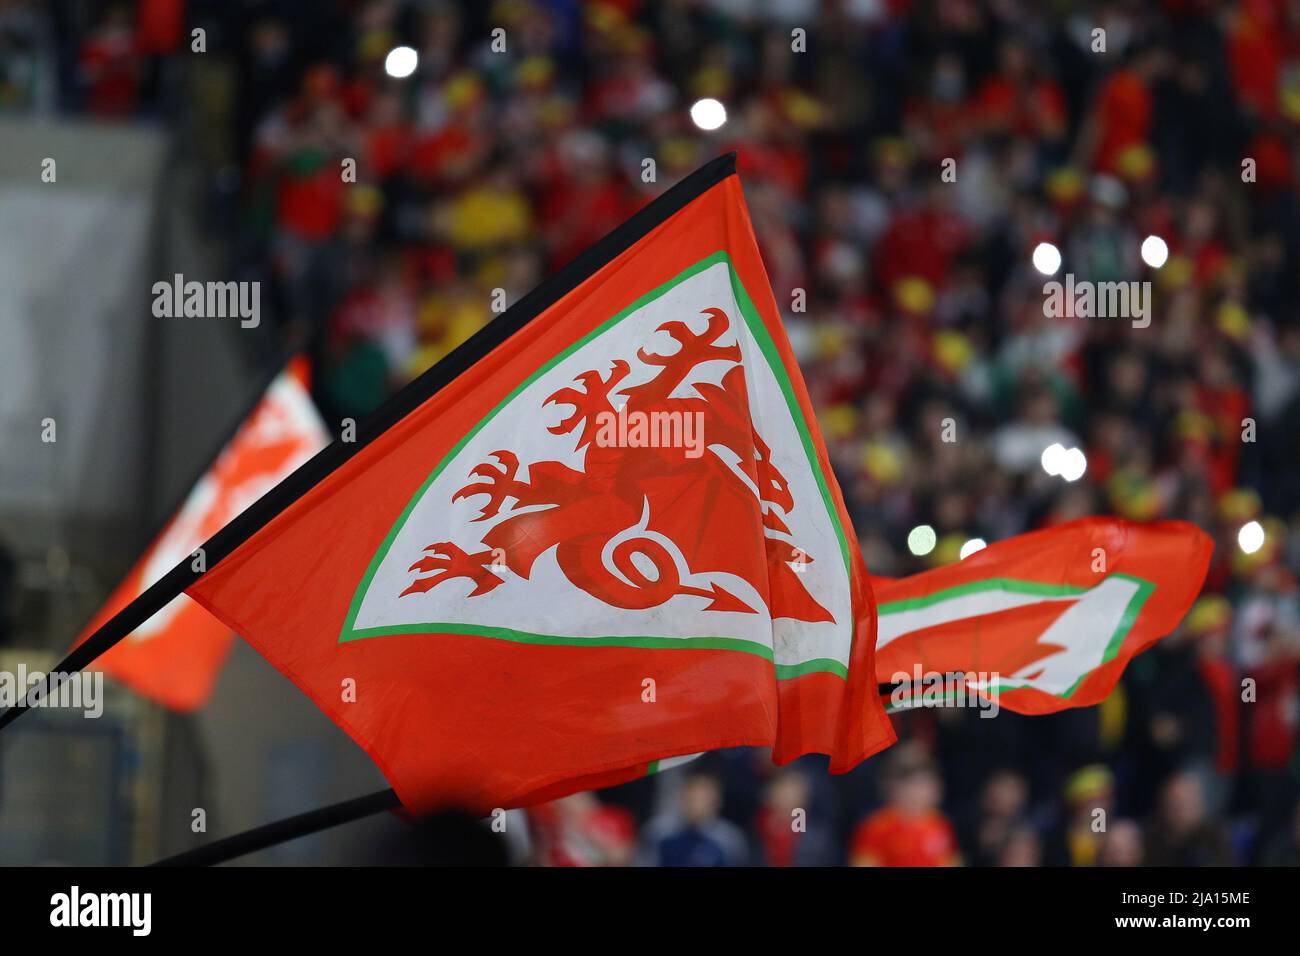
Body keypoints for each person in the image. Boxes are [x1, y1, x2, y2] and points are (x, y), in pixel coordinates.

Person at [849, 749, 960, 866]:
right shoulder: (876, 827)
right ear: (892, 787)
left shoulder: (941, 825)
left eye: (924, 785)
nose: (918, 794)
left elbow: (950, 861)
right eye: (912, 786)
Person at [638, 771, 748, 867]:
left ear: (716, 802)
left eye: (703, 799)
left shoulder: (729, 839)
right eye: (692, 799)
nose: (696, 806)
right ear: (682, 798)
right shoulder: (658, 832)